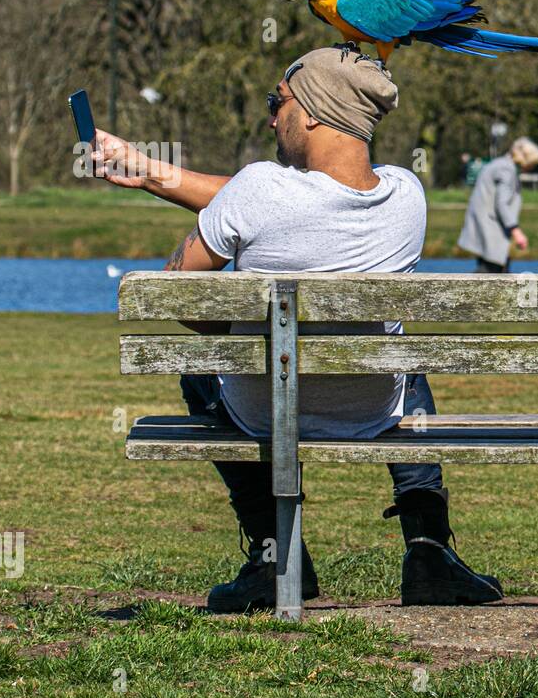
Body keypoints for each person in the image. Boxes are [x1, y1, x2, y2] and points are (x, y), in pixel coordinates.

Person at [90, 46, 501, 611]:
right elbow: (273, 202)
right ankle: (429, 549)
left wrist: (243, 332)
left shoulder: (258, 188)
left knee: (201, 371)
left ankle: (273, 558)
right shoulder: (408, 196)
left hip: (263, 410)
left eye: (276, 102)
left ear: (310, 111)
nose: (270, 118)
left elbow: (178, 291)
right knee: (404, 353)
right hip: (373, 408)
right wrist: (149, 171)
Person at [456, 136, 538, 271]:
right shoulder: (507, 169)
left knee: (499, 267)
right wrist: (516, 231)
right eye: (533, 163)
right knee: (491, 270)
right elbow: (501, 203)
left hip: (484, 224)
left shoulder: (498, 164)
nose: (532, 167)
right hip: (490, 227)